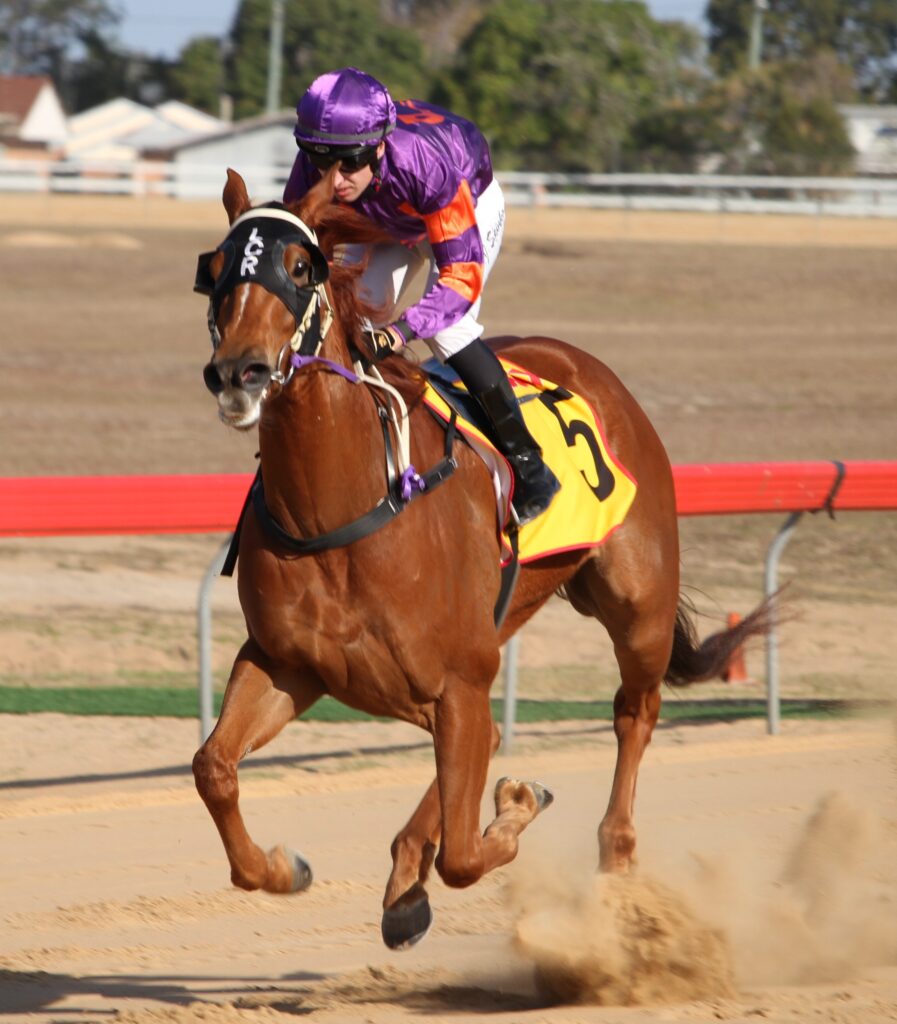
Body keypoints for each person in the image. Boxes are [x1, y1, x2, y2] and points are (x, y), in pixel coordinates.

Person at [283, 66, 558, 526]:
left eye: (350, 161)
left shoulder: (424, 166)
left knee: (449, 329)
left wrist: (403, 331)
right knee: (354, 321)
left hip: (463, 202)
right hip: (388, 218)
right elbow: (297, 244)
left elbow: (459, 280)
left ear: (379, 146)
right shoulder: (319, 167)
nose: (335, 179)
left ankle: (531, 465)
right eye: (319, 159)